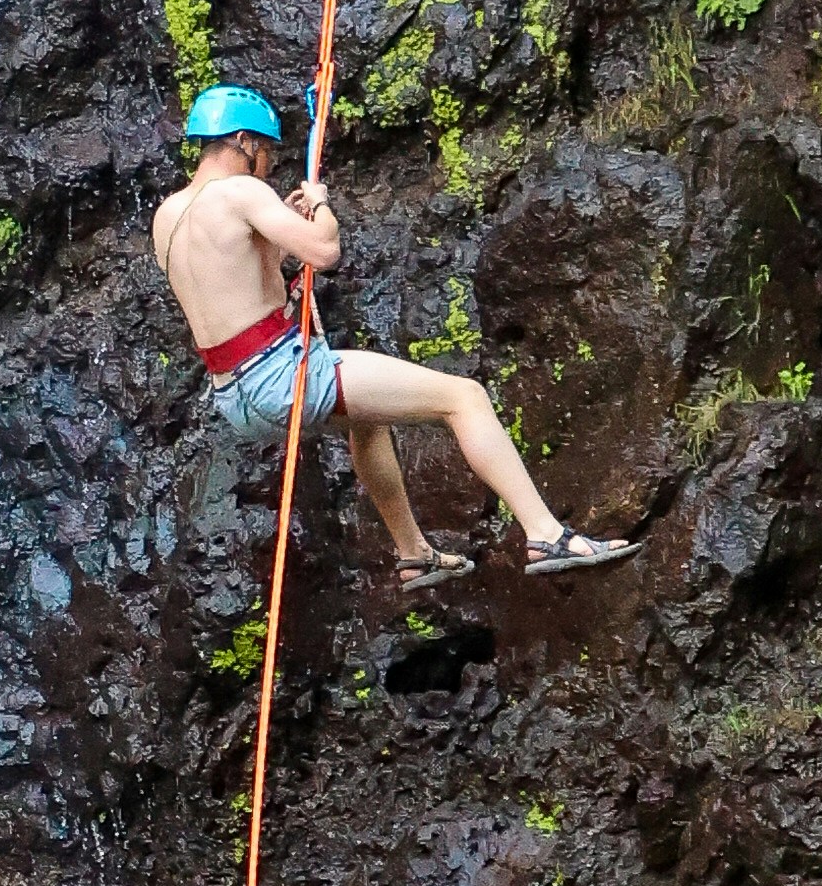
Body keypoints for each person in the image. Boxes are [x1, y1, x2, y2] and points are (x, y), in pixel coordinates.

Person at [152, 84, 636, 580]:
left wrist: (286, 231)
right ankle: (546, 536)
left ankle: (414, 554)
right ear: (243, 141)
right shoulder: (241, 192)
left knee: (368, 419)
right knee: (462, 397)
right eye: (268, 151)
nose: (270, 164)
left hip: (237, 397)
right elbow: (325, 253)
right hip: (282, 378)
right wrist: (318, 207)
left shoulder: (168, 216)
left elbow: (245, 281)